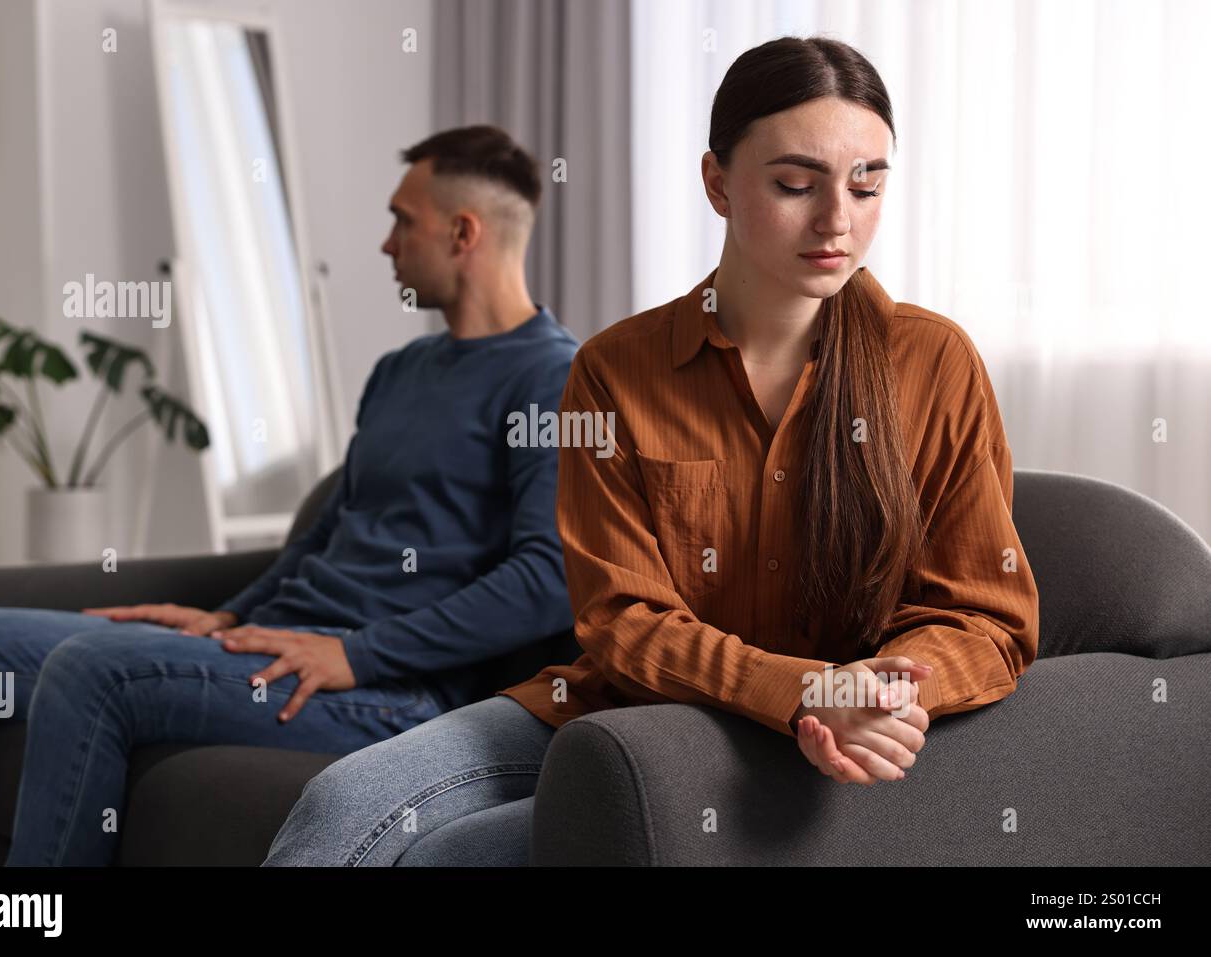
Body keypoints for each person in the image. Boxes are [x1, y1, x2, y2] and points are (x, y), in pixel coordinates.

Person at [262, 35, 1040, 867]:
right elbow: (621, 617)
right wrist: (798, 685)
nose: (836, 221)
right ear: (717, 183)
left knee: (444, 856)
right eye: (794, 184)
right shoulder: (614, 369)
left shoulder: (934, 363)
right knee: (340, 798)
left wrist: (878, 688)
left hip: (808, 750)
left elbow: (985, 614)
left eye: (866, 184)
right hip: (620, 710)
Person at [0, 124, 579, 866]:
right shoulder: (401, 370)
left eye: (401, 219)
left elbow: (547, 580)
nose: (387, 243)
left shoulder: (553, 379)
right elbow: (322, 540)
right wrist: (229, 613)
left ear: (463, 232)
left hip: (387, 689)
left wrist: (357, 652)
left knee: (89, 670)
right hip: (274, 646)